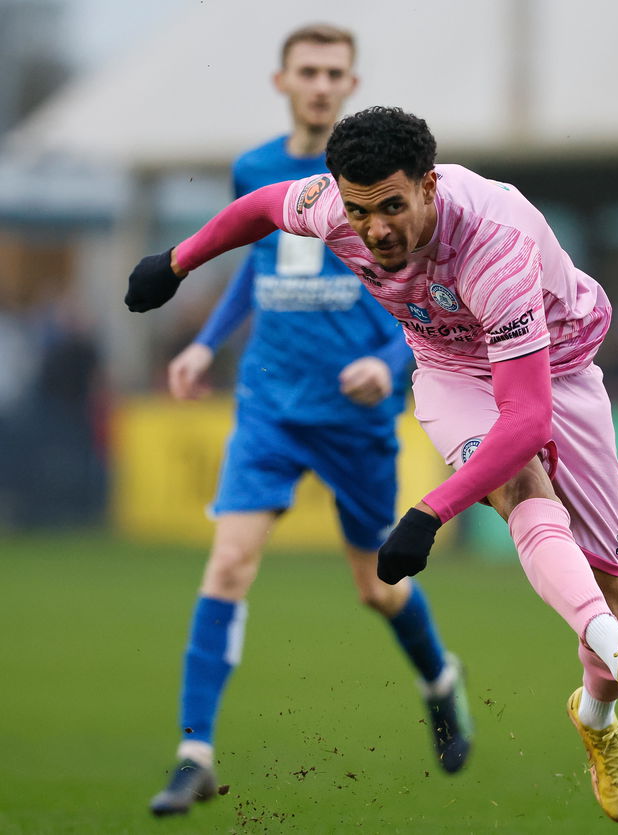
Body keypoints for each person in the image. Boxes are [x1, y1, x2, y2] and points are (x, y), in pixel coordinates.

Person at [126, 105, 618, 824]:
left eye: (392, 206)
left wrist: (430, 510)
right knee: (521, 489)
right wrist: (177, 261)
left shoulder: (492, 244)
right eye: (361, 211)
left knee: (613, 585)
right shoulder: (333, 209)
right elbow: (260, 207)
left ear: (429, 186)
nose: (376, 229)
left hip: (557, 370)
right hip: (449, 367)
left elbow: (528, 419)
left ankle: (598, 717)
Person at [146, 27, 471, 817]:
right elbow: (257, 267)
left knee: (378, 587)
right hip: (269, 405)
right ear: (282, 80)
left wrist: (389, 367)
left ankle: (439, 677)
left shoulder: (383, 180)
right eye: (309, 72)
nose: (321, 84)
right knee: (228, 565)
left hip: (353, 414)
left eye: (334, 73)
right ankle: (193, 753)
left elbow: (430, 288)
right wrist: (205, 343)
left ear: (351, 80)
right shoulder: (257, 171)